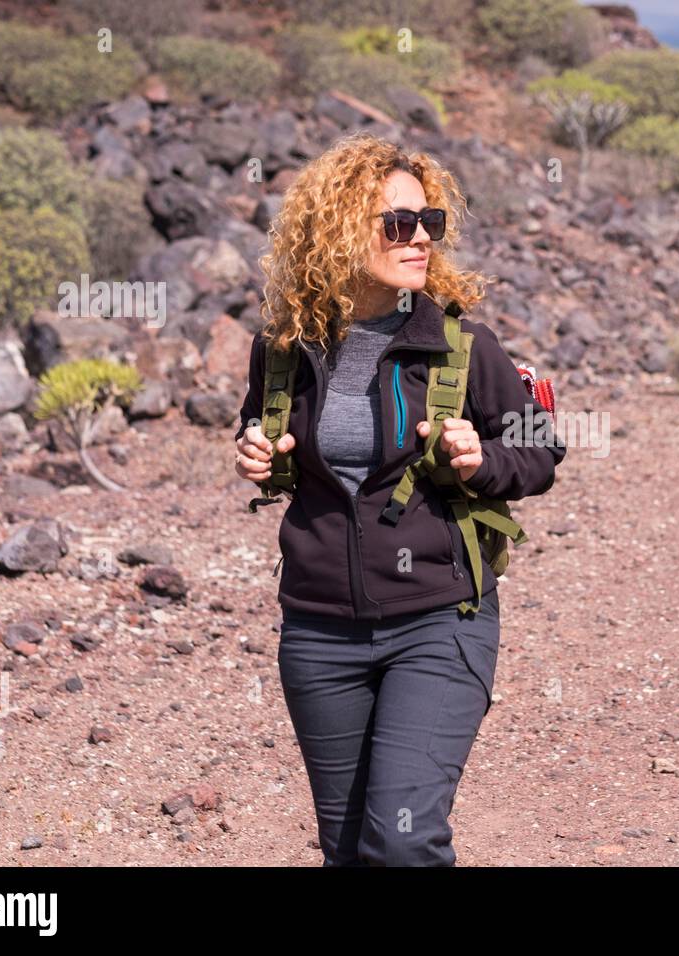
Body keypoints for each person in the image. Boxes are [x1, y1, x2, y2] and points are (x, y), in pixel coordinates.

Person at [232, 132, 565, 865]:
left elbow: (539, 450)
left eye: (429, 222)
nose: (419, 238)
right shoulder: (282, 351)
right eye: (397, 223)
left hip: (440, 620)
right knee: (348, 849)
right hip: (318, 631)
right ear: (338, 232)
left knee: (403, 839)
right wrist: (256, 452)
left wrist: (482, 461)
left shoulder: (462, 347)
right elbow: (261, 426)